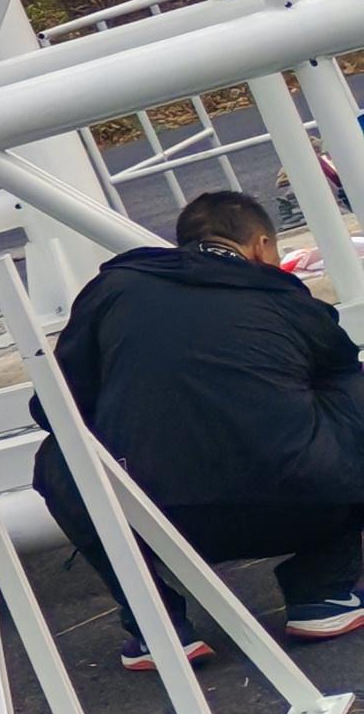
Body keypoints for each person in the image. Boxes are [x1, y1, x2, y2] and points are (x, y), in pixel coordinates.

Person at [31, 188, 364, 666]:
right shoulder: (287, 301)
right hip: (295, 505)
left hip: (153, 519)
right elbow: (343, 375)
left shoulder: (115, 289)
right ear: (261, 246)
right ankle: (323, 590)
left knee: (60, 453)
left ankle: (157, 623)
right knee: (350, 390)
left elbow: (54, 406)